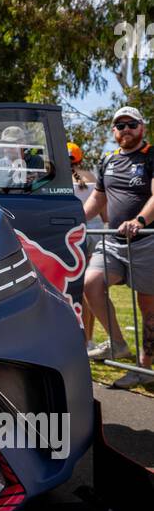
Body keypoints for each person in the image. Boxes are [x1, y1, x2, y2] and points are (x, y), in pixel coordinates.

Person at [83, 107, 154, 382]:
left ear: (142, 128)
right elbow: (98, 200)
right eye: (119, 125)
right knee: (91, 283)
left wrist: (140, 220)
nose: (125, 129)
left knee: (147, 306)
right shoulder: (107, 160)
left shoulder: (151, 156)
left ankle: (144, 369)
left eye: (131, 124)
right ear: (114, 131)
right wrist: (74, 218)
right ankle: (118, 344)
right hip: (112, 241)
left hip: (146, 241)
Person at [68, 141, 101, 347]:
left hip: (75, 235)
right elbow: (104, 212)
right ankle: (88, 340)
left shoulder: (60, 180)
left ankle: (77, 337)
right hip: (97, 233)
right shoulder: (92, 177)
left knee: (75, 290)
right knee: (89, 291)